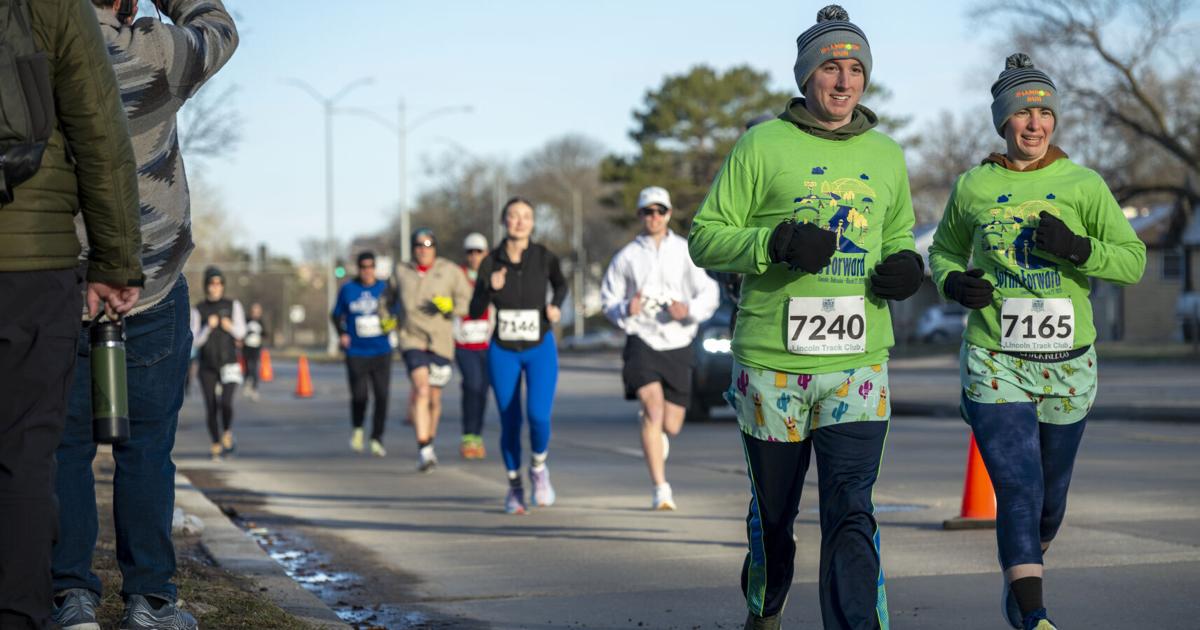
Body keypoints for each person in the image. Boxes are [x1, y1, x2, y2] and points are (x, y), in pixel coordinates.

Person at [688, 6, 925, 629]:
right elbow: (706, 237)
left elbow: (898, 233)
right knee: (775, 517)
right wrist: (776, 243)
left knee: (852, 509)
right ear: (805, 76)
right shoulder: (761, 145)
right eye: (830, 68)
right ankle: (765, 608)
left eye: (856, 70)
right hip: (773, 365)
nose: (844, 82)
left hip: (858, 363)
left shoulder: (886, 154)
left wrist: (907, 265)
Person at [928, 54, 1146, 630]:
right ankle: (1033, 613)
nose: (1035, 124)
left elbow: (1133, 261)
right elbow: (943, 251)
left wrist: (1077, 249)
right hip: (995, 359)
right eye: (1023, 113)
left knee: (1049, 501)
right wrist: (954, 282)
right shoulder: (974, 185)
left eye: (1045, 112)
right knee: (1018, 487)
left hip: (1068, 364)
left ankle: (1025, 567)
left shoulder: (1084, 185)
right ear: (1003, 120)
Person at [50, 1, 238, 628]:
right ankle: (150, 600)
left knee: (64, 449)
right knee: (148, 451)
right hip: (152, 286)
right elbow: (219, 29)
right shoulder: (158, 55)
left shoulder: (42, 56)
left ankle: (69, 597)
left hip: (67, 282)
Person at [0, 1, 143, 626]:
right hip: (31, 266)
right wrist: (116, 261)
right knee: (26, 453)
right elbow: (100, 136)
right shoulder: (57, 5)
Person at [601, 185, 719, 510]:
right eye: (647, 211)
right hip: (642, 339)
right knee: (652, 409)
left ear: (668, 214)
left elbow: (709, 293)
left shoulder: (684, 251)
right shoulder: (627, 256)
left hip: (678, 341)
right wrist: (626, 307)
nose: (654, 217)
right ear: (640, 215)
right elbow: (608, 300)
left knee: (672, 425)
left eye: (660, 211)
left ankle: (657, 433)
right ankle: (661, 488)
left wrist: (689, 310)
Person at [469, 197, 568, 514]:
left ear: (533, 222)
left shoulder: (543, 256)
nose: (520, 221)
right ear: (504, 221)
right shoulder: (490, 262)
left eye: (526, 216)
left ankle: (538, 467)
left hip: (540, 347)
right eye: (513, 215)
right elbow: (475, 310)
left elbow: (561, 285)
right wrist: (490, 288)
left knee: (538, 416)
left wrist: (555, 306)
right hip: (504, 351)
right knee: (510, 421)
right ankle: (514, 487)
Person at [394, 229, 473, 471]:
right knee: (421, 389)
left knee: (434, 398)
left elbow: (468, 300)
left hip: (440, 342)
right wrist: (386, 318)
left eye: (428, 244)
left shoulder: (449, 271)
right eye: (419, 245)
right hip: (412, 338)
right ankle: (424, 449)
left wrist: (451, 307)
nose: (423, 249)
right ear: (413, 248)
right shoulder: (401, 271)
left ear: (435, 248)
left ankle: (429, 441)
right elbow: (386, 299)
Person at [331, 251, 402, 456]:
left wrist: (392, 323)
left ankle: (377, 438)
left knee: (382, 395)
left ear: (375, 268)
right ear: (358, 268)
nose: (367, 271)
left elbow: (397, 311)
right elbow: (336, 315)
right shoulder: (348, 289)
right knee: (360, 395)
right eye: (363, 267)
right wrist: (342, 334)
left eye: (371, 266)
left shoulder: (384, 289)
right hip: (356, 351)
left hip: (381, 350)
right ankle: (358, 428)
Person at [191, 266, 247, 461]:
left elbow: (241, 332)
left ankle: (227, 432)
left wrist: (229, 326)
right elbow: (194, 340)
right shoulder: (198, 309)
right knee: (211, 406)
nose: (216, 287)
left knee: (226, 402)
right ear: (206, 286)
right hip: (207, 365)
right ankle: (215, 443)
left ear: (223, 285)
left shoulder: (233, 305)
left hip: (229, 362)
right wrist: (208, 327)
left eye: (219, 283)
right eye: (212, 283)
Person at [455, 232, 493, 459]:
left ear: (486, 253)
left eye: (479, 252)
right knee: (472, 384)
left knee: (482, 389)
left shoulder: (492, 275)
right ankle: (468, 436)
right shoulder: (457, 276)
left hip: (487, 343)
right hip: (464, 342)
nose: (474, 256)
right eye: (470, 252)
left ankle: (476, 435)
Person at [243, 302, 267, 400]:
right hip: (246, 347)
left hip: (256, 347)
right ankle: (247, 382)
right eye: (254, 311)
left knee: (254, 367)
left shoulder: (261, 322)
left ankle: (254, 388)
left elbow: (265, 334)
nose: (255, 313)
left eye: (257, 311)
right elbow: (241, 331)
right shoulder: (246, 320)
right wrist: (248, 333)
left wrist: (260, 333)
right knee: (247, 367)